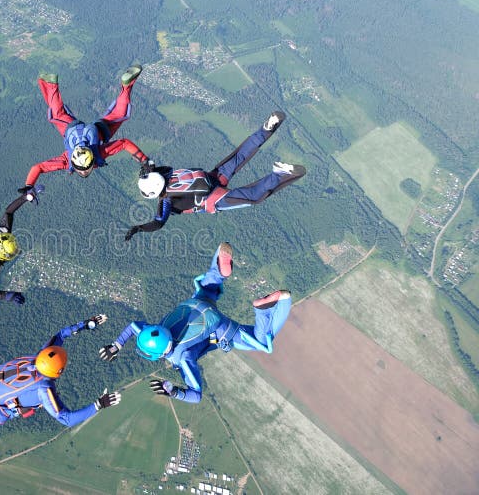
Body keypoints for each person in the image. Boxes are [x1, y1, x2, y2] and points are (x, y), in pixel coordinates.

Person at [98, 243, 292, 403]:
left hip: (219, 327)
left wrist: (173, 392)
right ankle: (219, 269)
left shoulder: (182, 358)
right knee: (208, 288)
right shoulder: (156, 329)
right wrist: (116, 346)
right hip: (196, 304)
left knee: (261, 342)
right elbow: (133, 327)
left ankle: (265, 310)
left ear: (163, 353)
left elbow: (196, 395)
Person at [125, 112, 305, 241]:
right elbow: (149, 164)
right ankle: (266, 129)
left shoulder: (166, 201)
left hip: (214, 199)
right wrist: (144, 165)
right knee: (240, 155)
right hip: (213, 177)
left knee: (253, 197)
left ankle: (279, 174)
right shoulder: (164, 172)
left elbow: (158, 223)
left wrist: (138, 228)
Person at [19, 65, 154, 192]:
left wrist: (144, 160)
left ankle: (126, 85)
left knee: (119, 114)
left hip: (94, 130)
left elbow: (124, 143)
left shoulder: (95, 154)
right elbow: (38, 168)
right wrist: (29, 185)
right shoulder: (68, 160)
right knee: (57, 114)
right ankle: (51, 84)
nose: (83, 172)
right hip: (77, 129)